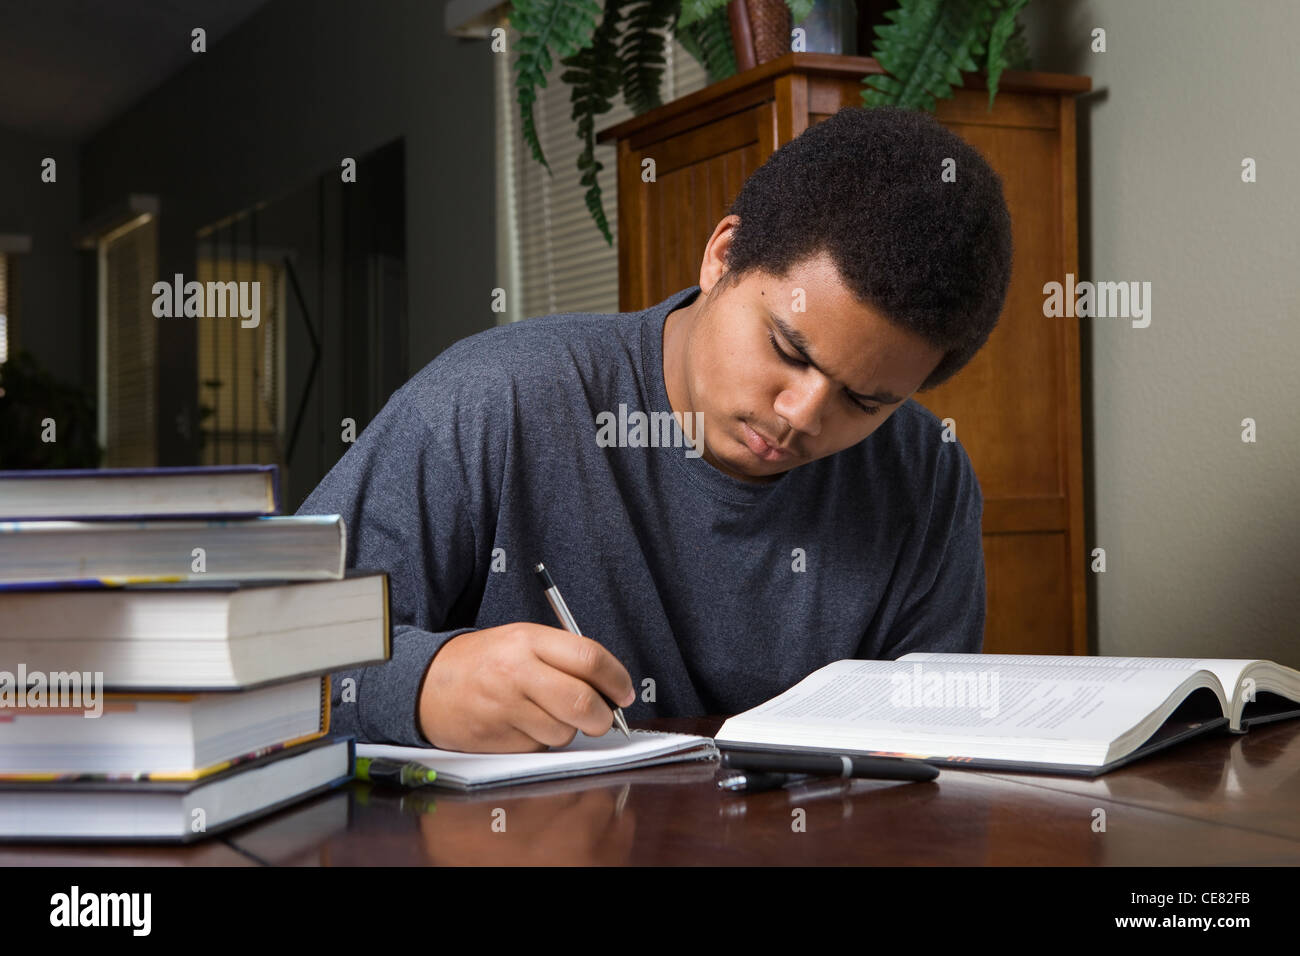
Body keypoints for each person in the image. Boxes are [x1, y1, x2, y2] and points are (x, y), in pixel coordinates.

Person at [298, 105, 1013, 753]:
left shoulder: (924, 474)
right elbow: (262, 656)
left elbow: (926, 751)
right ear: (721, 256)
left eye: (864, 401)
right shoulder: (494, 399)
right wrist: (423, 686)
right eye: (787, 350)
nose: (801, 414)